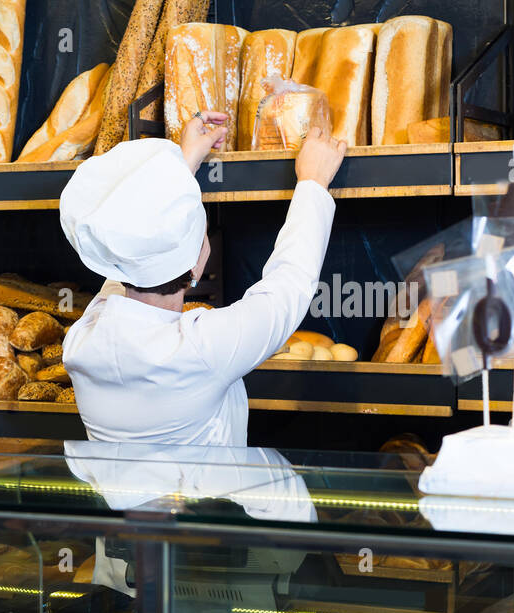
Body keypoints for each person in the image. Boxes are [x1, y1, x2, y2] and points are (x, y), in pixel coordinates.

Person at [59, 113, 347, 447]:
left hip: (121, 498)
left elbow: (129, 251)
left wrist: (183, 168)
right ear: (197, 267)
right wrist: (313, 180)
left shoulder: (82, 340)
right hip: (204, 499)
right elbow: (289, 283)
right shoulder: (202, 348)